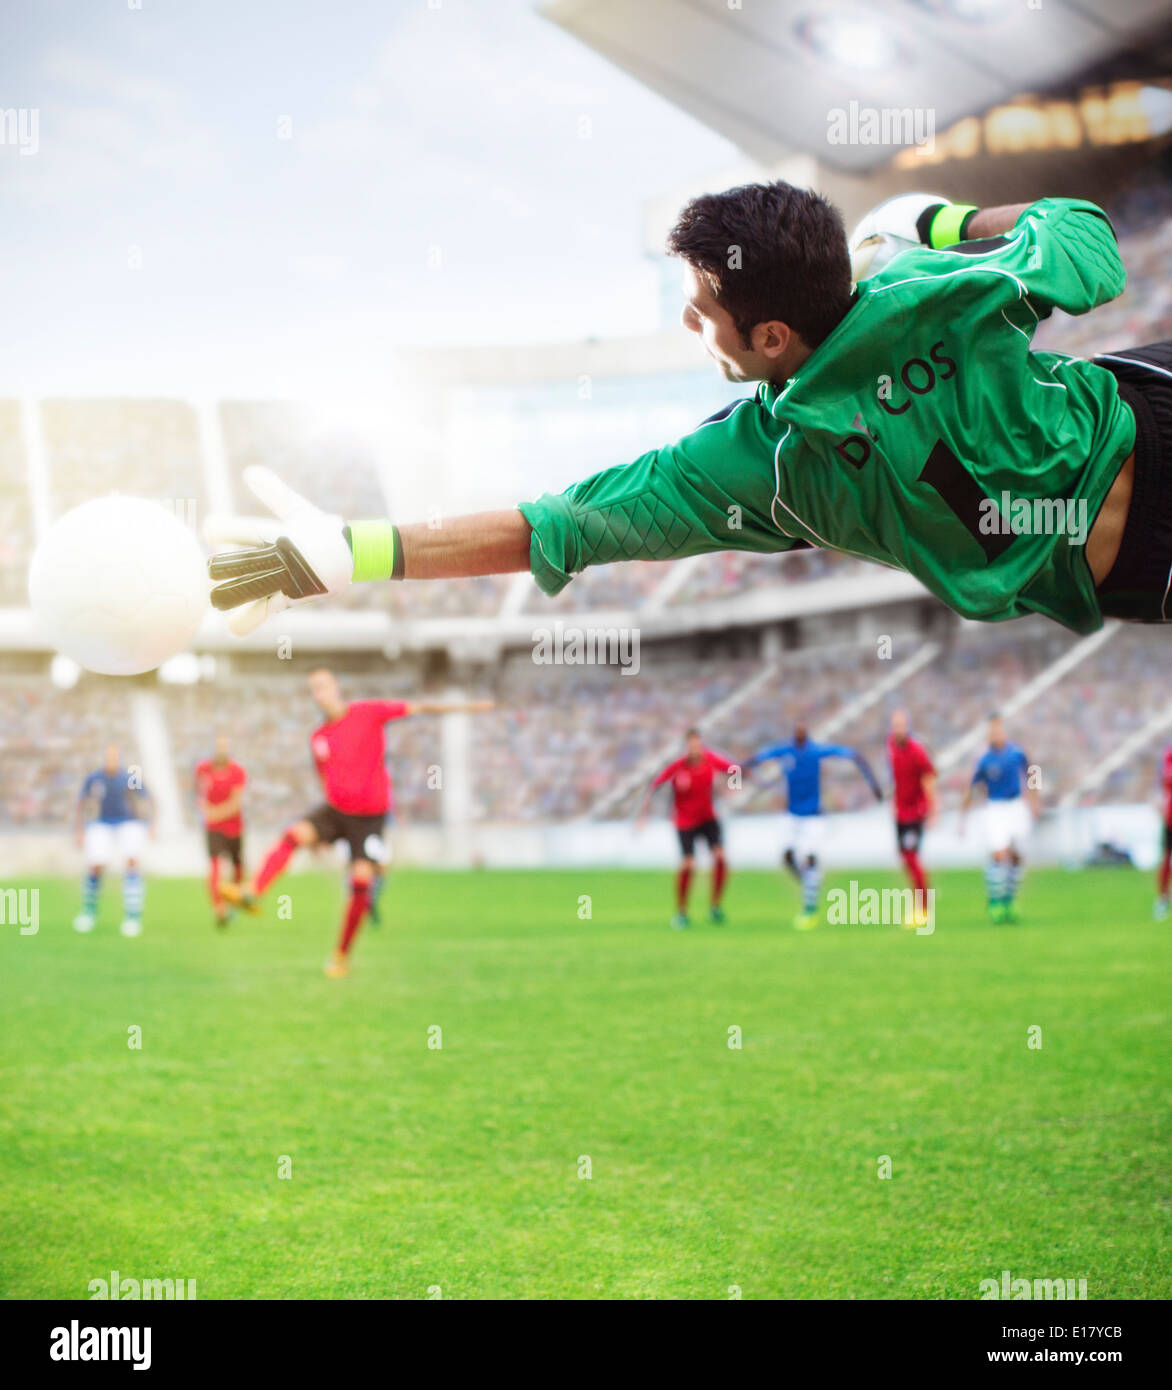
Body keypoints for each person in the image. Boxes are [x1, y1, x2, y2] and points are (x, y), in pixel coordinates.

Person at [204, 185, 1159, 639]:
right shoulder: (929, 286)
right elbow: (1086, 241)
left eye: (703, 310)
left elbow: (558, 525)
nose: (689, 322)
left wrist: (355, 552)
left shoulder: (760, 466)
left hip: (1136, 572)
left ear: (774, 337)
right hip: (1147, 420)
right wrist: (941, 226)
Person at [219, 669, 492, 977]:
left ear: (336, 687)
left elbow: (420, 707)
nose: (318, 693)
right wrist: (322, 835)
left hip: (369, 819)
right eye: (314, 689)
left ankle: (341, 955)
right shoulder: (319, 738)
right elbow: (324, 779)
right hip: (336, 811)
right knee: (294, 834)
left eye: (322, 686)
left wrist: (468, 707)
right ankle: (253, 891)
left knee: (361, 881)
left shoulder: (368, 712)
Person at [744, 722, 881, 930]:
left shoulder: (816, 751)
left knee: (809, 858)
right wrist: (741, 780)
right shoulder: (785, 750)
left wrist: (874, 785)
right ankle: (811, 884)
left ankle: (809, 909)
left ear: (807, 734)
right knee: (788, 857)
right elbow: (749, 762)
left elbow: (853, 755)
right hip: (791, 815)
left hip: (814, 817)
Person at [636, 729, 735, 929]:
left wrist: (734, 788)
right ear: (686, 748)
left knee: (720, 857)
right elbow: (653, 786)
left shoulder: (711, 760)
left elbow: (735, 770)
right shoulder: (677, 767)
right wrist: (643, 815)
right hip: (685, 821)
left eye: (698, 745)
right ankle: (681, 912)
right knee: (688, 864)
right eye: (691, 746)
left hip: (708, 817)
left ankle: (715, 907)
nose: (695, 750)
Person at [960, 715, 1040, 924]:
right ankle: (995, 902)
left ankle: (1009, 901)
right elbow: (972, 787)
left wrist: (1035, 799)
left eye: (999, 730)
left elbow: (1033, 771)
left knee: (1017, 856)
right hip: (996, 808)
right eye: (992, 731)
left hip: (1016, 806)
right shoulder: (984, 759)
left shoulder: (1016, 752)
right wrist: (963, 817)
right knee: (999, 855)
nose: (996, 734)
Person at [73, 743, 154, 938]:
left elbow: (147, 798)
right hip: (102, 823)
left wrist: (150, 824)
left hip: (127, 822)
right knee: (95, 865)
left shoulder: (129, 777)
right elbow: (81, 803)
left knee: (132, 862)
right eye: (109, 756)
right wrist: (79, 830)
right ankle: (89, 912)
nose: (112, 759)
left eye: (115, 756)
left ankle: (133, 916)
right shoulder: (95, 778)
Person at [886, 709, 937, 927]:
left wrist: (933, 809)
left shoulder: (916, 750)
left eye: (902, 724)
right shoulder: (891, 746)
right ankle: (919, 905)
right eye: (895, 724)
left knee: (912, 858)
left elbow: (929, 777)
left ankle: (924, 909)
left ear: (907, 726)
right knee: (906, 858)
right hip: (900, 811)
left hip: (915, 812)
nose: (899, 729)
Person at [195, 733, 247, 928]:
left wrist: (214, 813)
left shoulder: (237, 771)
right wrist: (204, 809)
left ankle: (232, 903)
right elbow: (200, 793)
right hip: (213, 828)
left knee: (238, 869)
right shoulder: (203, 769)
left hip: (234, 827)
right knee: (215, 866)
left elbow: (236, 803)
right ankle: (219, 909)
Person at [1153, 741, 1172, 920]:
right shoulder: (1168, 754)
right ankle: (1162, 899)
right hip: (1170, 818)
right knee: (1166, 858)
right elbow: (1163, 781)